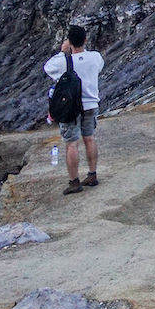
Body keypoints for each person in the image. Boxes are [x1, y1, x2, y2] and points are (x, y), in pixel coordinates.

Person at [44, 24, 105, 195]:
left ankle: (74, 181)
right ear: (85, 40)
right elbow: (98, 67)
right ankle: (92, 174)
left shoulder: (63, 61)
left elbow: (48, 68)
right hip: (91, 104)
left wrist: (62, 52)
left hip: (71, 108)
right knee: (89, 139)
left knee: (72, 143)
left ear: (69, 41)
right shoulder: (95, 57)